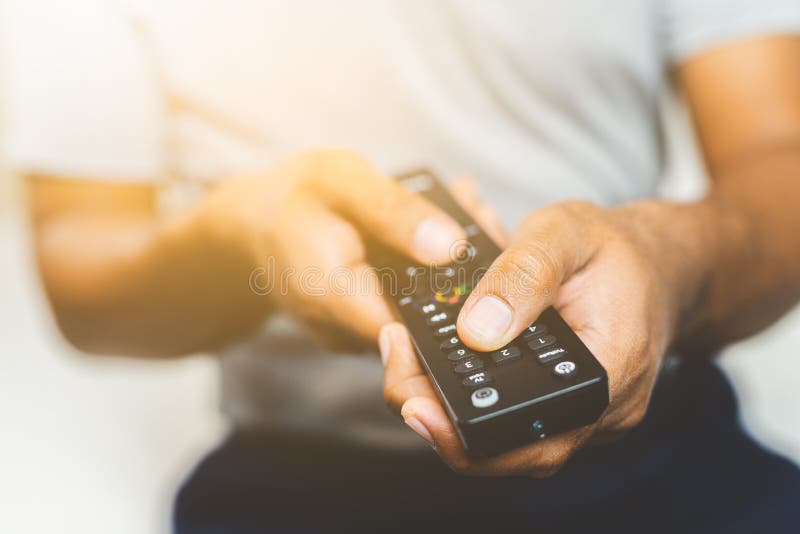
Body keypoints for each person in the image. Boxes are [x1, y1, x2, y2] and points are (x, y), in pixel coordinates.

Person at [7, 0, 800, 532]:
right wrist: (238, 238)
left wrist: (667, 256)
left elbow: (780, 158)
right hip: (289, 491)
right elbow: (83, 275)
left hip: (669, 455)